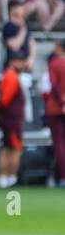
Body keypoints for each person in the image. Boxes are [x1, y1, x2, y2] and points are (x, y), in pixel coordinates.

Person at [0, 48, 29, 188]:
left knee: (7, 148)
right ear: (14, 61)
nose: (24, 65)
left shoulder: (8, 75)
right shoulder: (11, 76)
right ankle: (9, 179)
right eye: (21, 61)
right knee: (14, 149)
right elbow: (4, 100)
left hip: (8, 119)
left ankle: (5, 180)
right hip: (11, 120)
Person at [47, 39, 65, 185]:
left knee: (59, 143)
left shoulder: (55, 63)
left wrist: (63, 101)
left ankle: (63, 176)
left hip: (56, 107)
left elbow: (54, 86)